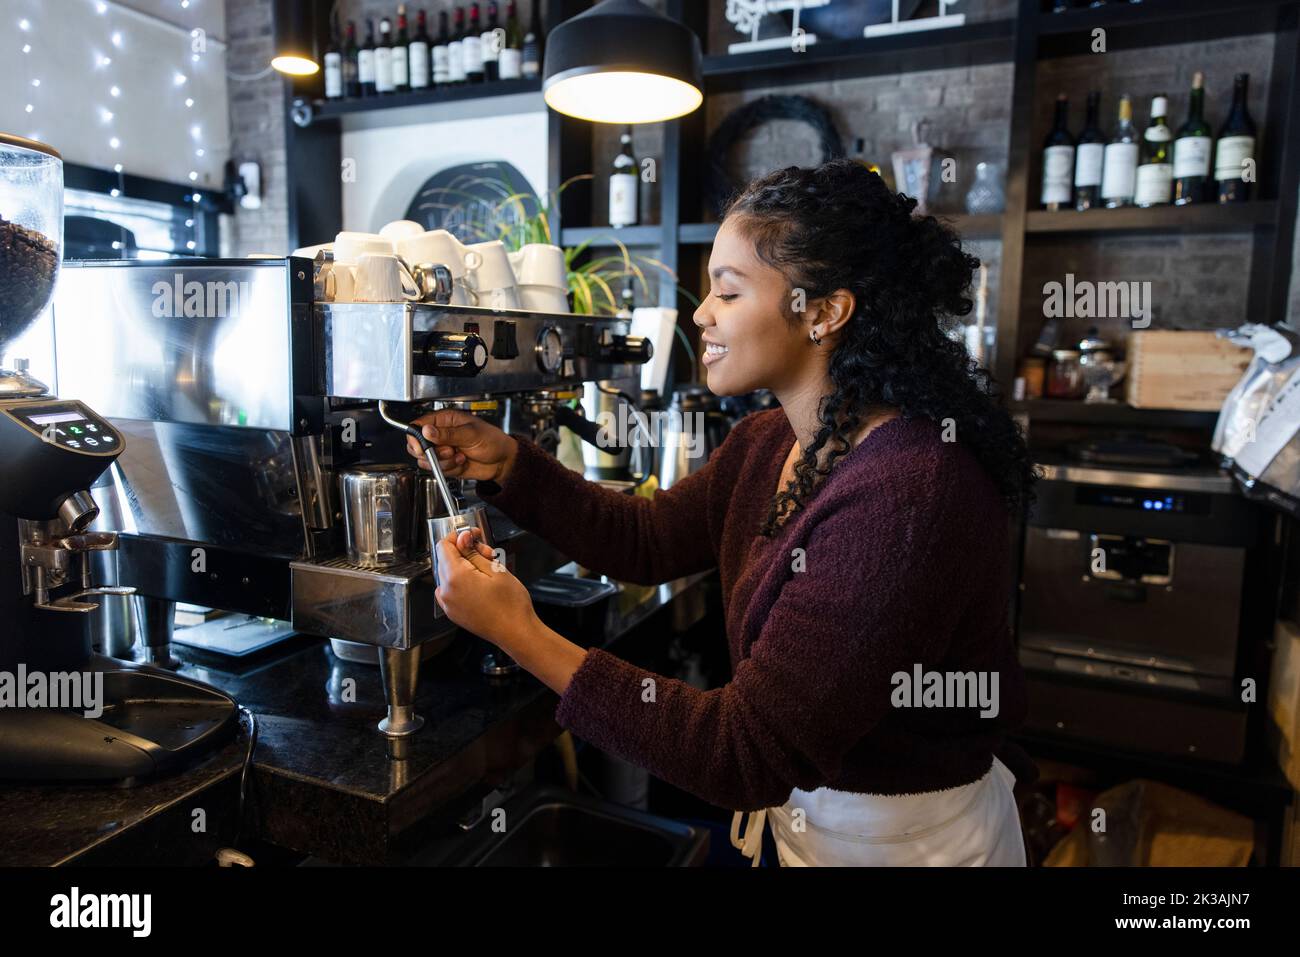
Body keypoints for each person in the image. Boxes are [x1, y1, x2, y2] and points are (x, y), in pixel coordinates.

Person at [409, 158, 1038, 866]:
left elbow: (743, 751)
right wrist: (511, 465)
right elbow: (647, 539)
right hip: (809, 823)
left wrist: (519, 631)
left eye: (728, 292)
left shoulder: (912, 492)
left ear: (824, 311)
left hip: (902, 847)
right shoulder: (771, 438)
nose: (701, 313)